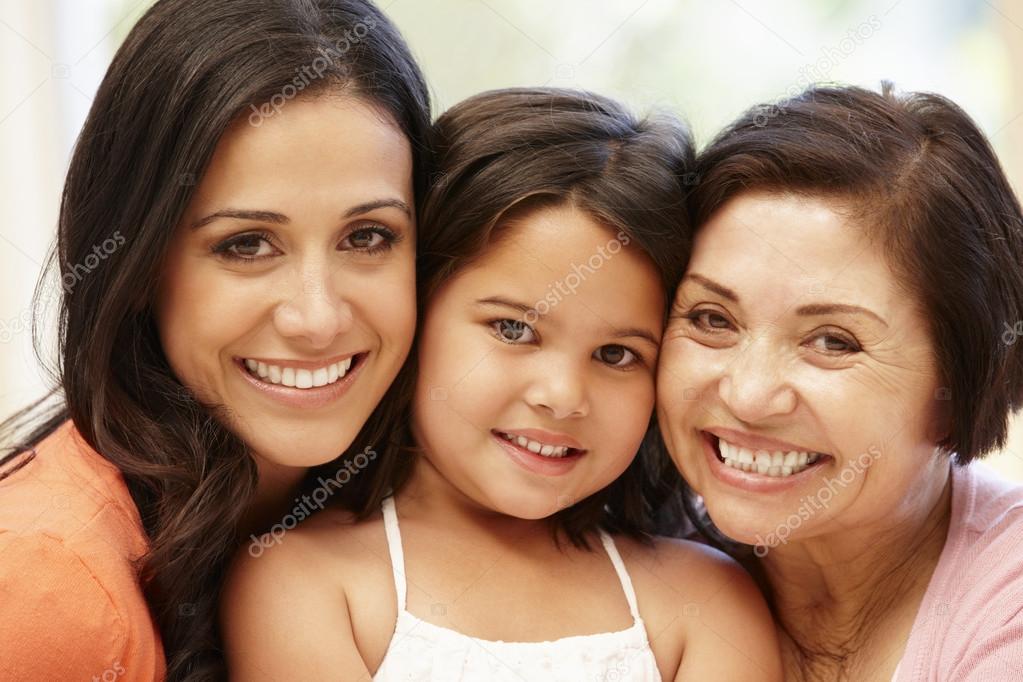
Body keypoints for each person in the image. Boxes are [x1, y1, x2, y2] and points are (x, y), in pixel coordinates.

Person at [223, 87, 783, 681]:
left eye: (616, 353)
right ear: (417, 305)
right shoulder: (303, 584)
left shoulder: (705, 602)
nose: (563, 395)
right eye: (514, 329)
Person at [0, 0, 431, 679]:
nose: (316, 318)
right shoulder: (49, 588)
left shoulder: (403, 506)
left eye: (367, 236)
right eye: (247, 244)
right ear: (137, 265)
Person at [658, 83, 1023, 681]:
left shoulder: (1008, 610)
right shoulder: (623, 540)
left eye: (833, 341)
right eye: (712, 319)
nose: (747, 396)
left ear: (963, 380)